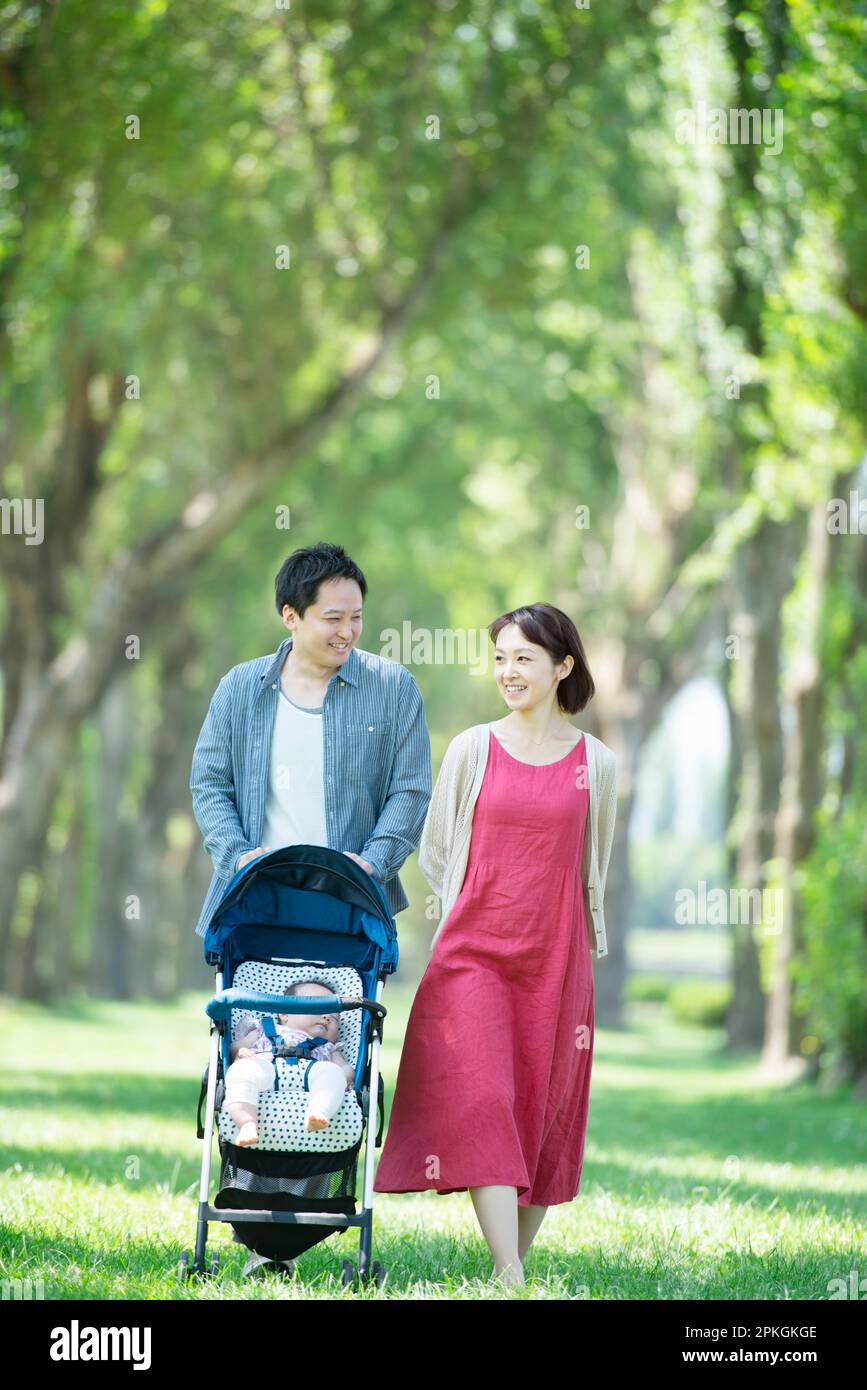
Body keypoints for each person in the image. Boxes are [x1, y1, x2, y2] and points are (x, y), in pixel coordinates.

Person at [372, 603, 617, 1290]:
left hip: (557, 957)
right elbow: (440, 850)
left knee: (543, 1109)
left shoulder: (595, 763)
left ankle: (514, 1262)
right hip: (475, 952)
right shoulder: (472, 749)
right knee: (483, 1098)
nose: (508, 672)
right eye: (501, 658)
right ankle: (508, 1273)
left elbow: (589, 864)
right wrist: (476, 908)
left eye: (524, 659)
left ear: (562, 666)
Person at [189, 540, 432, 939]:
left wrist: (371, 864)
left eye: (356, 617)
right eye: (332, 618)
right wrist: (238, 856)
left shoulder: (393, 687)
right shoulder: (240, 688)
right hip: (255, 901)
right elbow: (210, 783)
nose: (347, 632)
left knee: (338, 1005)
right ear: (291, 615)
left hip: (353, 907)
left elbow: (411, 789)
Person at [225, 981, 356, 1139]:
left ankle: (318, 1111)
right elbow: (235, 1047)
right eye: (318, 1007)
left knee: (334, 1073)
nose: (327, 1016)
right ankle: (246, 1123)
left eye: (335, 1018)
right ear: (285, 1014)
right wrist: (241, 1053)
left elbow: (344, 1068)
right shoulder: (263, 1030)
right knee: (241, 1070)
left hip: (311, 1075)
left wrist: (345, 1077)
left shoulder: (328, 1047)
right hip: (266, 1067)